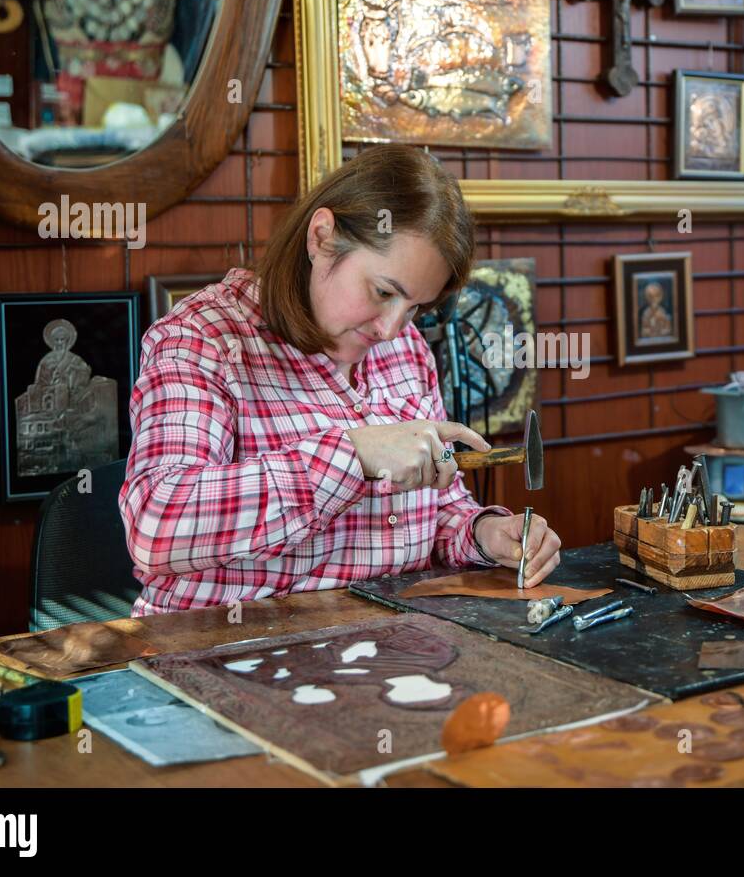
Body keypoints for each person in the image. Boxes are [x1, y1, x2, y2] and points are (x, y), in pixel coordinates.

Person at [119, 145, 562, 616]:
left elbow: (438, 510)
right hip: (226, 653)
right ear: (322, 237)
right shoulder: (204, 338)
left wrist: (480, 535)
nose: (391, 328)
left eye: (415, 307)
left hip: (384, 654)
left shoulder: (405, 348)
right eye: (383, 291)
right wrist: (353, 456)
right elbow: (157, 526)